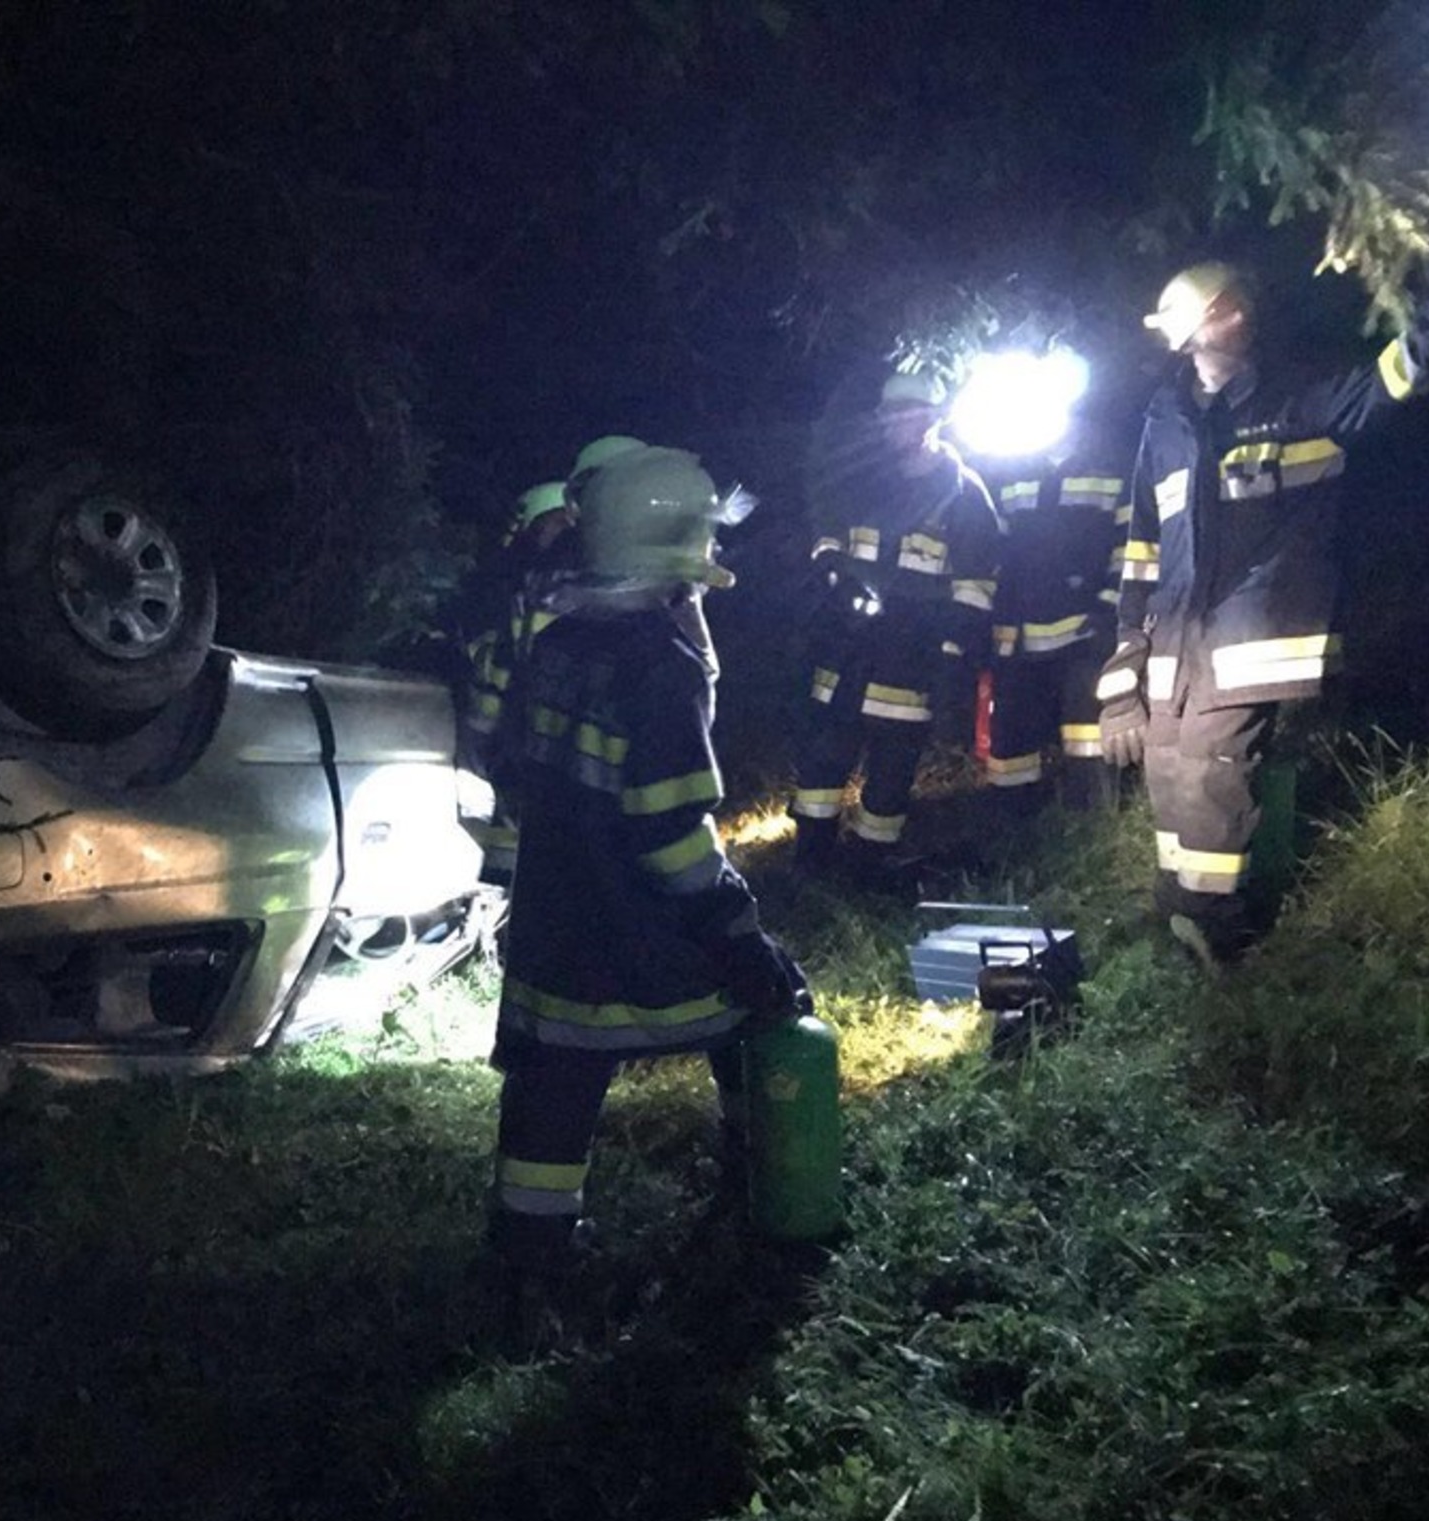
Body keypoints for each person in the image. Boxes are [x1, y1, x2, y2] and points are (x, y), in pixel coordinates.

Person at [480, 444, 805, 1291]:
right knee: (760, 1015)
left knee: (552, 1089)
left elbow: (511, 767)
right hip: (644, 935)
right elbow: (672, 834)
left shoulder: (552, 643)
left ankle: (527, 1267)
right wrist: (742, 936)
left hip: (554, 931)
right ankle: (764, 1188)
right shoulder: (661, 668)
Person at [1102, 260, 1429, 965]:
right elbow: (1139, 548)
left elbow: (1396, 377)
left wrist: (1419, 286)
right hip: (1175, 633)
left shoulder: (1300, 399)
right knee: (1165, 765)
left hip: (1253, 632)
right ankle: (1178, 913)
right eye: (1226, 308)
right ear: (1198, 328)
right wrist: (1125, 662)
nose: (1241, 316)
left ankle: (1219, 929)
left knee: (1210, 768)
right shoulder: (1165, 420)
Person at [790, 369, 1002, 876]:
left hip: (912, 660)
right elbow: (827, 533)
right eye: (887, 414)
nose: (892, 423)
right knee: (822, 762)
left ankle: (867, 865)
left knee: (891, 774)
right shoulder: (864, 482)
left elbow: (976, 586)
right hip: (848, 650)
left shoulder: (965, 496)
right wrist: (834, 571)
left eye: (905, 413)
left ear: (935, 418)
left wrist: (952, 658)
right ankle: (811, 863)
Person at [457, 437, 648, 885]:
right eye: (552, 526)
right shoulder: (550, 592)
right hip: (551, 804)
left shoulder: (540, 589)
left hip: (548, 798)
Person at [982, 398, 1137, 814]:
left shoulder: (1112, 469)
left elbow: (1130, 548)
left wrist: (1107, 609)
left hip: (1085, 631)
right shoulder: (1011, 473)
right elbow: (995, 551)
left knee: (1087, 736)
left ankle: (1091, 831)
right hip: (1019, 634)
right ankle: (1011, 835)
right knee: (1011, 739)